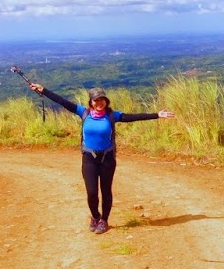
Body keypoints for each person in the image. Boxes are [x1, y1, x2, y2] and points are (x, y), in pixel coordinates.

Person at [28, 82, 173, 234]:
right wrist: (43, 90)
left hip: (107, 159)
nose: (99, 102)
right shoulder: (83, 113)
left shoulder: (112, 116)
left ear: (106, 101)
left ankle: (104, 219)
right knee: (91, 192)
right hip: (89, 158)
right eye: (96, 100)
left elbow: (133, 117)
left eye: (102, 99)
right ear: (91, 102)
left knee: (106, 191)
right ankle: (95, 217)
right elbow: (62, 101)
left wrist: (157, 114)